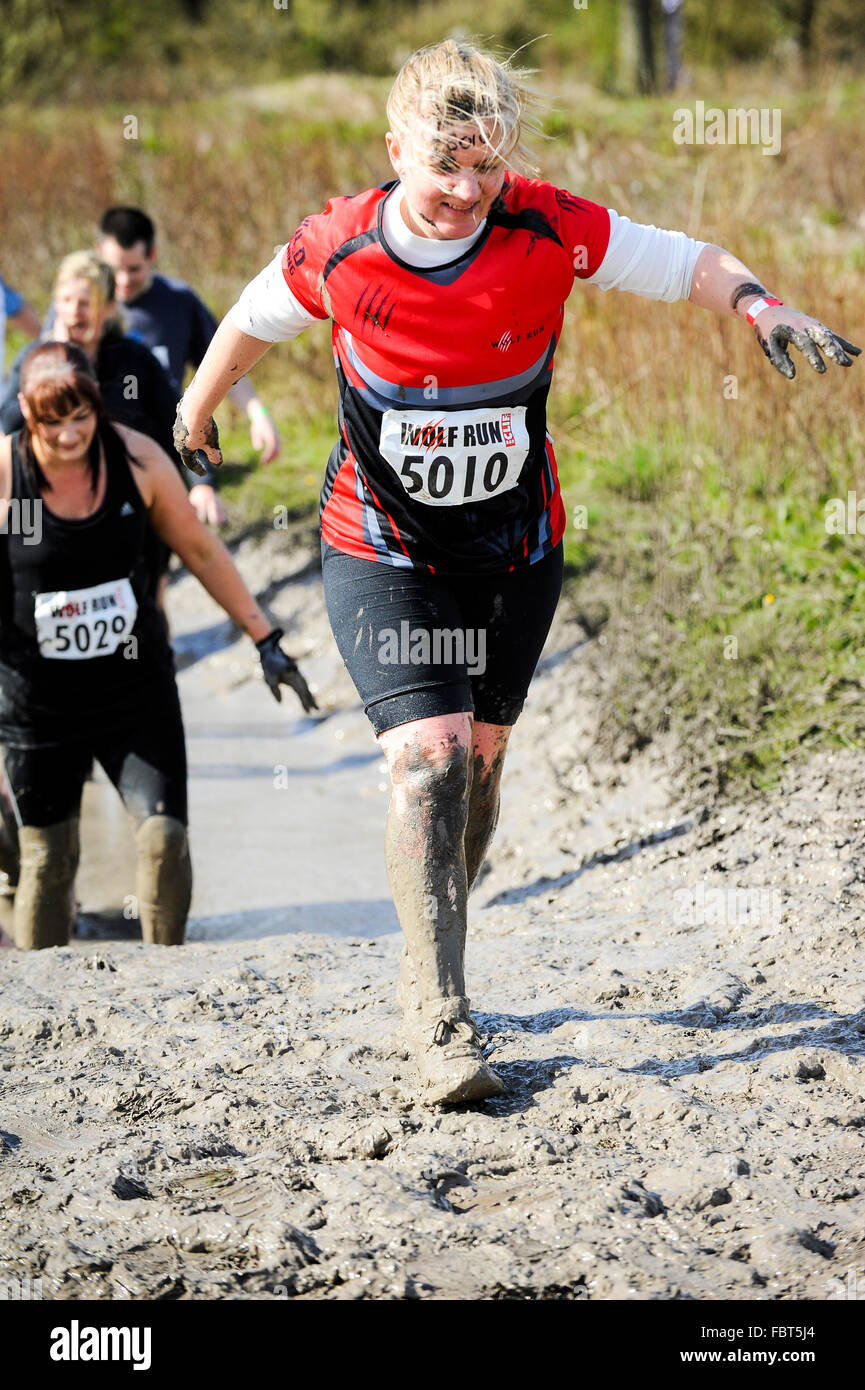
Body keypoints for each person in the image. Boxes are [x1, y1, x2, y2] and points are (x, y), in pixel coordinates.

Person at [174, 40, 859, 1105]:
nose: (464, 190)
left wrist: (760, 305)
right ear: (394, 146)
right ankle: (437, 1011)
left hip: (516, 549)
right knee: (430, 759)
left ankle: (434, 930)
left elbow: (687, 261)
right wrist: (195, 408)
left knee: (482, 762)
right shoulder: (341, 244)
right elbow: (256, 316)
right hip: (381, 544)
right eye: (444, 166)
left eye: (485, 167)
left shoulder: (547, 225)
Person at [0, 341, 315, 951]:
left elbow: (199, 551)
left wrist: (265, 638)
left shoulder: (137, 460)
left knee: (166, 839)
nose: (69, 435)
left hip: (132, 691)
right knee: (47, 859)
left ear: (98, 404)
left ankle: (169, 971)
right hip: (38, 701)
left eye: (81, 417)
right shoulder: (8, 477)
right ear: (24, 413)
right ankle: (46, 997)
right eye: (51, 422)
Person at [96, 206, 282, 526]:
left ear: (152, 255)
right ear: (99, 253)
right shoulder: (82, 304)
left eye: (134, 269)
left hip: (165, 449)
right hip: (98, 453)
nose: (124, 281)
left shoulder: (179, 303)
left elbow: (226, 364)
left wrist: (257, 414)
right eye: (116, 269)